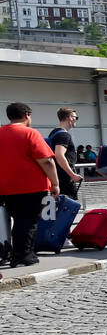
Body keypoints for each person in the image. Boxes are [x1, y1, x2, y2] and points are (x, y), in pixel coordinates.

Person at [0, 102, 60, 269]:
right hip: (31, 187)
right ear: (26, 114)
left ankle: (10, 251)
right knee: (27, 222)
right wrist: (55, 183)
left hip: (4, 187)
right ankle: (22, 256)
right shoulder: (30, 133)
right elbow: (47, 161)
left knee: (13, 221)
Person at [46, 107, 84, 200]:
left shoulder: (54, 133)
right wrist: (73, 175)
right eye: (76, 117)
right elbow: (59, 155)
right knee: (68, 210)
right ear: (69, 117)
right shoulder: (63, 135)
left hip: (58, 176)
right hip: (64, 178)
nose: (76, 120)